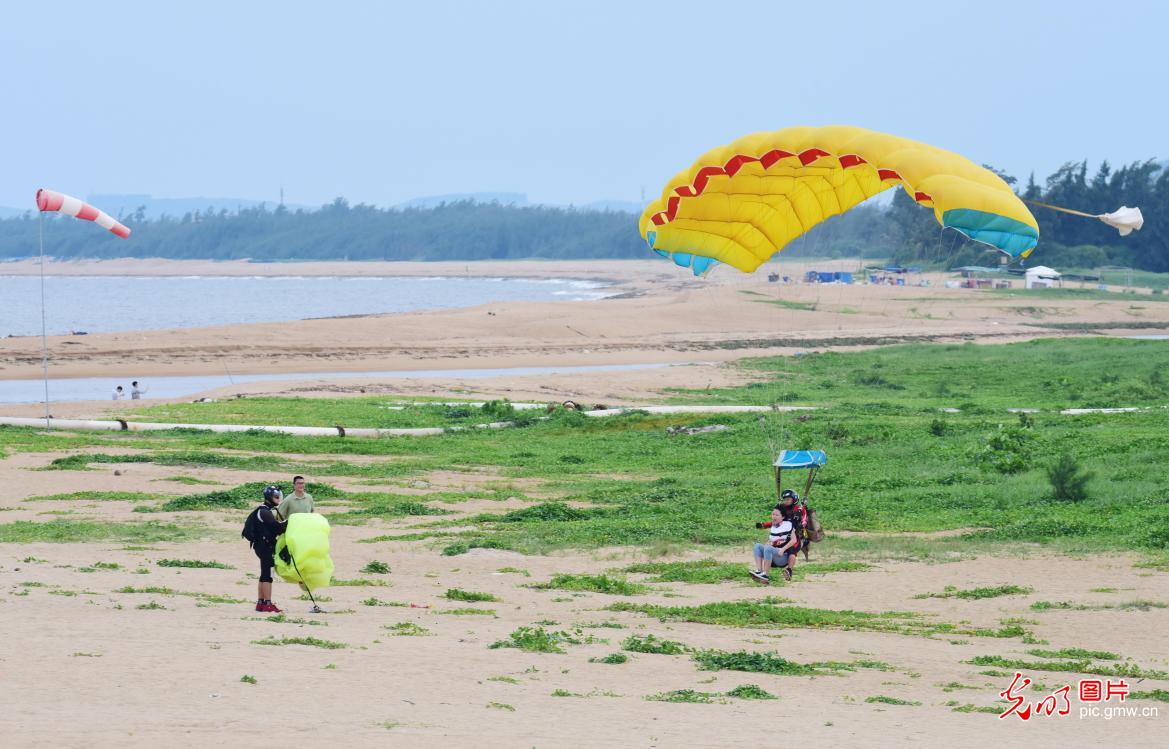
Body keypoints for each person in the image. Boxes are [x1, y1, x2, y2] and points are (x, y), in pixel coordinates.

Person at [242, 485, 287, 612]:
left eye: (279, 496)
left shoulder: (263, 510)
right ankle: (267, 604)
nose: (278, 499)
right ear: (269, 497)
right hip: (265, 547)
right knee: (268, 575)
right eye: (276, 497)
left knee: (264, 574)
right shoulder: (264, 512)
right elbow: (277, 528)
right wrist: (291, 521)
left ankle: (260, 603)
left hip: (261, 546)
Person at [749, 504, 800, 584]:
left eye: (776, 515)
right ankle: (759, 571)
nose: (774, 516)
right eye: (773, 514)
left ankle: (765, 575)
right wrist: (768, 543)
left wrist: (783, 549)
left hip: (783, 557)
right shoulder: (773, 526)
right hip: (773, 555)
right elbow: (772, 540)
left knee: (768, 548)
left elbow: (794, 540)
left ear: (782, 517)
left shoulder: (788, 525)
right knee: (757, 546)